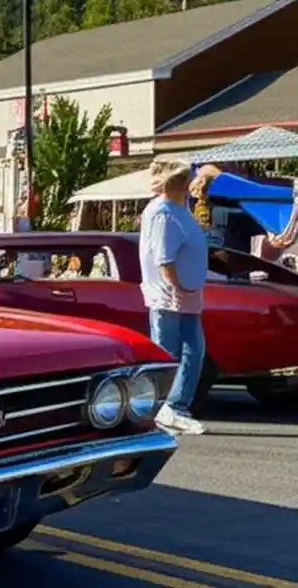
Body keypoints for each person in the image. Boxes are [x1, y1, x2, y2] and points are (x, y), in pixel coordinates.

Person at [140, 157, 209, 436]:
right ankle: (167, 407)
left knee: (192, 348)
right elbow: (164, 258)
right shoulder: (164, 213)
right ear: (178, 182)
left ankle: (173, 405)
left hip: (183, 293)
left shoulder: (176, 209)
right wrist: (179, 286)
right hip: (171, 295)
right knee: (169, 351)